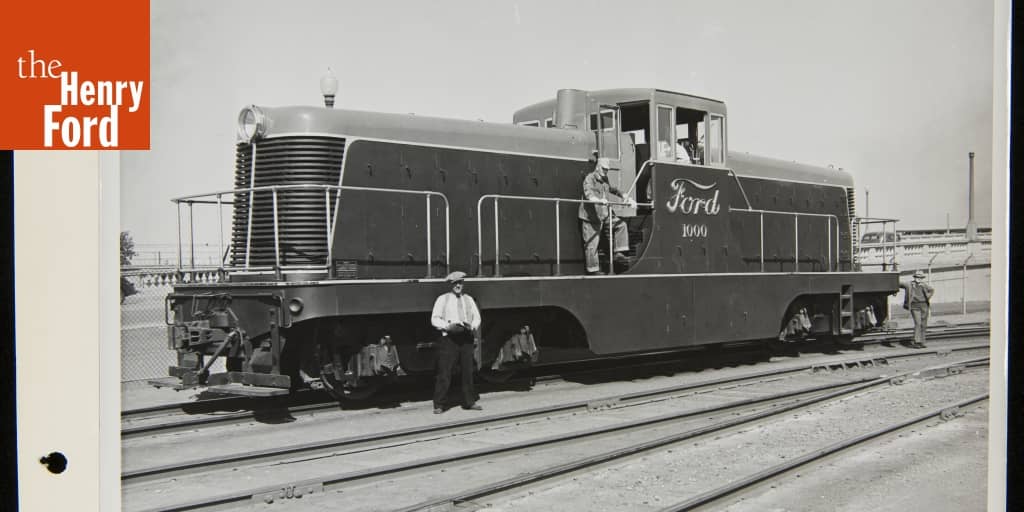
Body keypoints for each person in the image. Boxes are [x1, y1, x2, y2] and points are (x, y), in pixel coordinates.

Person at [431, 271, 482, 413]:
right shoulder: (443, 299)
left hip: (466, 337)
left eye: (460, 283)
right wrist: (447, 326)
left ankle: (469, 402)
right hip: (449, 339)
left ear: (463, 284)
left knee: (468, 371)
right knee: (445, 372)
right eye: (455, 283)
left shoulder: (469, 299)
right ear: (451, 285)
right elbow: (435, 318)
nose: (458, 285)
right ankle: (439, 404)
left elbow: (477, 317)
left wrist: (472, 326)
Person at [578, 158, 634, 275]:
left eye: (607, 170)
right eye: (604, 169)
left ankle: (619, 252)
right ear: (598, 167)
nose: (606, 172)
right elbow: (589, 194)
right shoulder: (590, 178)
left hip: (604, 214)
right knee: (592, 244)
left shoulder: (604, 179)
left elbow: (612, 189)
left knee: (621, 225)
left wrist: (624, 196)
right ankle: (593, 270)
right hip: (591, 217)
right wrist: (598, 200)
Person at [899, 270, 935, 348]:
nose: (919, 279)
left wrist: (928, 296)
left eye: (920, 277)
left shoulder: (924, 285)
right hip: (914, 306)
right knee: (918, 323)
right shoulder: (909, 284)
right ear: (914, 277)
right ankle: (917, 342)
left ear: (922, 278)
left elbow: (932, 290)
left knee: (923, 324)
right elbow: (899, 283)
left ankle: (922, 342)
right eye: (917, 277)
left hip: (924, 305)